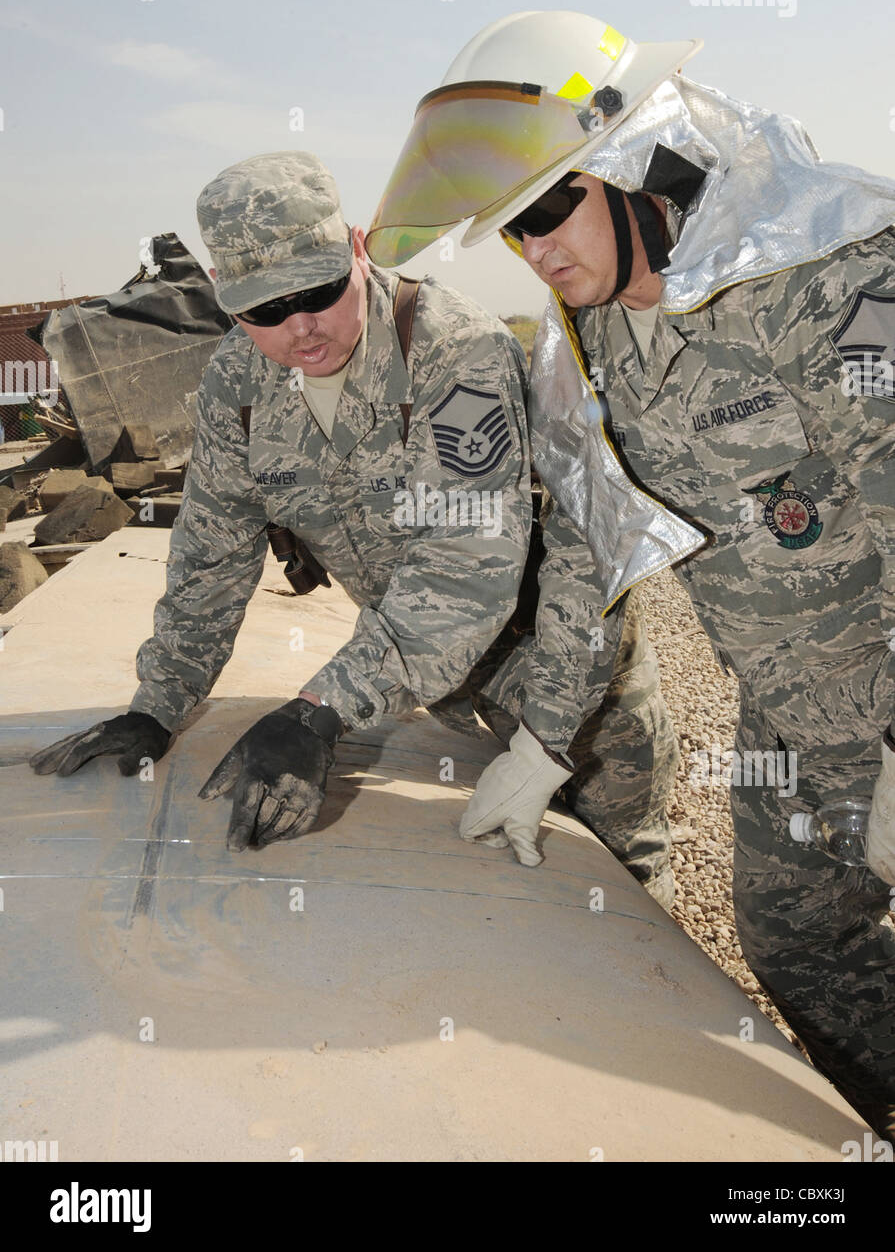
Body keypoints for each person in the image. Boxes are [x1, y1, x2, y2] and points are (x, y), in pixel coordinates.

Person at [365, 10, 895, 1139]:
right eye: (509, 232)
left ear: (640, 165)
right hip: (790, 719)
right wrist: (545, 743)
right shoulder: (586, 344)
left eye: (546, 211)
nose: (534, 253)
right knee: (800, 939)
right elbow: (587, 552)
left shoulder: (827, 274)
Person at [29, 150, 677, 906]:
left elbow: (464, 567)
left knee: (621, 885)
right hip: (436, 686)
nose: (300, 327)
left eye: (318, 291)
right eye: (264, 310)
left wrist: (319, 712)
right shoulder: (237, 381)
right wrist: (158, 705)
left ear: (359, 249)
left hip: (563, 675)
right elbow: (211, 554)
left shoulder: (452, 349)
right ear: (225, 297)